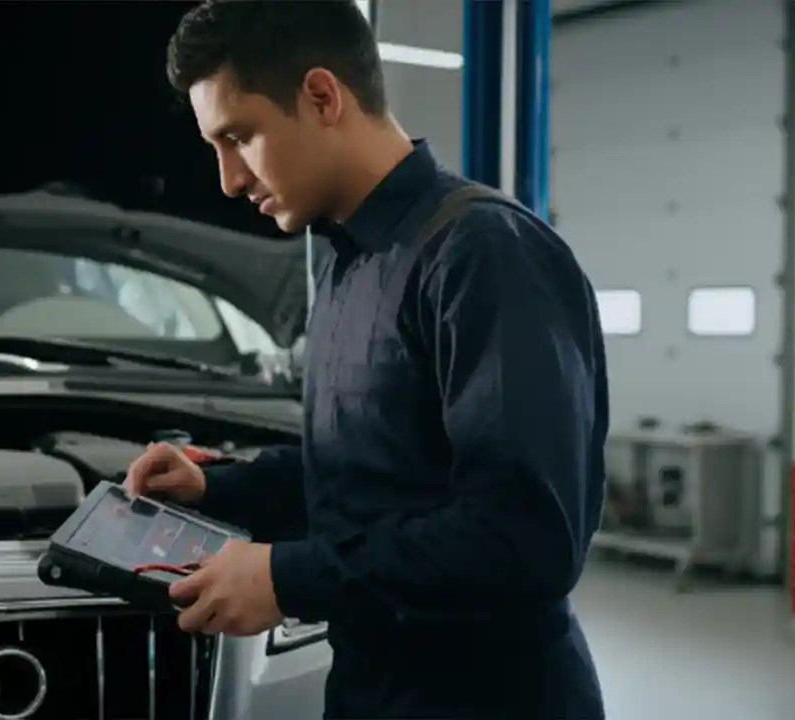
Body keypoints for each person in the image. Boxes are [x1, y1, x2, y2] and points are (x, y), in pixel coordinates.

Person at [124, 1, 609, 717]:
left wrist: (287, 579)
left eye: (240, 136)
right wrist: (219, 489)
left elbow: (524, 540)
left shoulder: (483, 255)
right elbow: (373, 478)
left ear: (323, 96)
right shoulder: (348, 263)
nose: (227, 178)